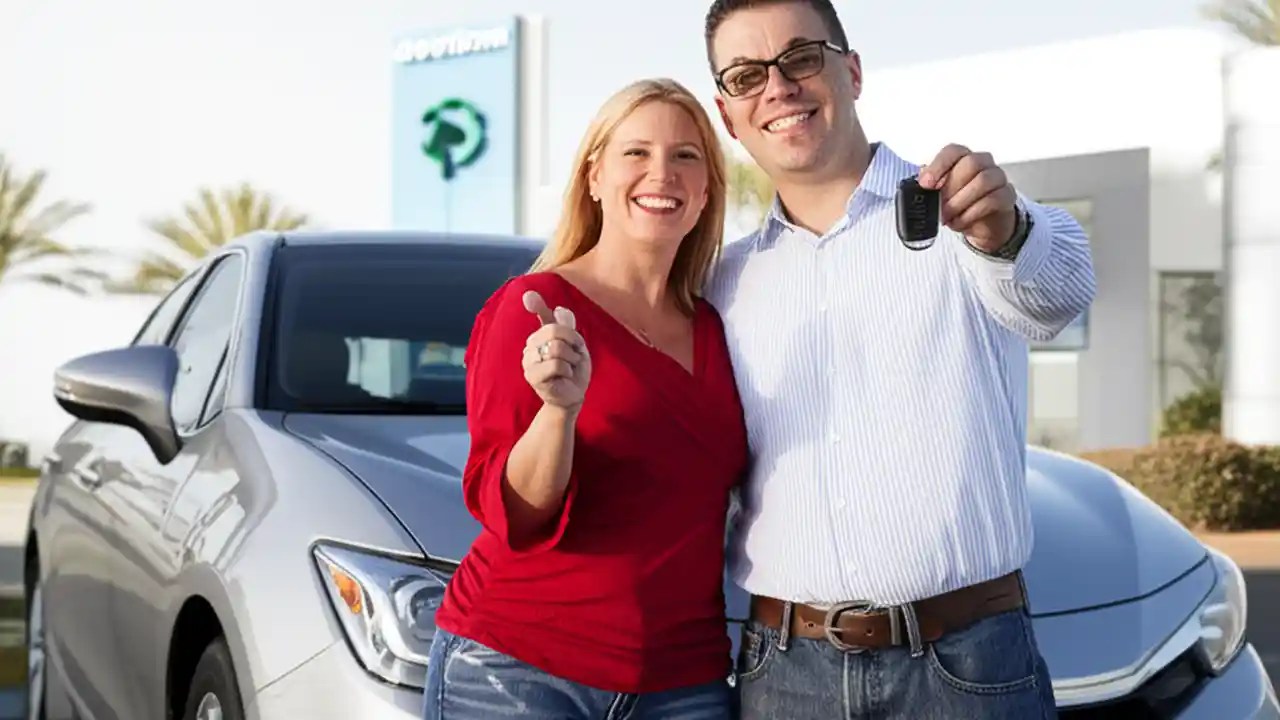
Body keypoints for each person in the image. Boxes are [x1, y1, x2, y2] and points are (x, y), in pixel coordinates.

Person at [699, 1, 1097, 718]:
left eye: (801, 58)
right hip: (784, 673)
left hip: (966, 668)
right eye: (747, 75)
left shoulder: (964, 212)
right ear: (730, 116)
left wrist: (1007, 231)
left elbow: (1059, 294)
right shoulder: (725, 282)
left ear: (851, 72)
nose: (778, 88)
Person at [421, 77, 748, 720]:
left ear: (707, 189)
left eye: (685, 156)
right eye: (636, 152)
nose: (662, 173)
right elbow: (515, 516)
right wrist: (558, 412)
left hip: (685, 680)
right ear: (594, 176)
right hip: (519, 670)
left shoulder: (719, 325)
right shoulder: (533, 308)